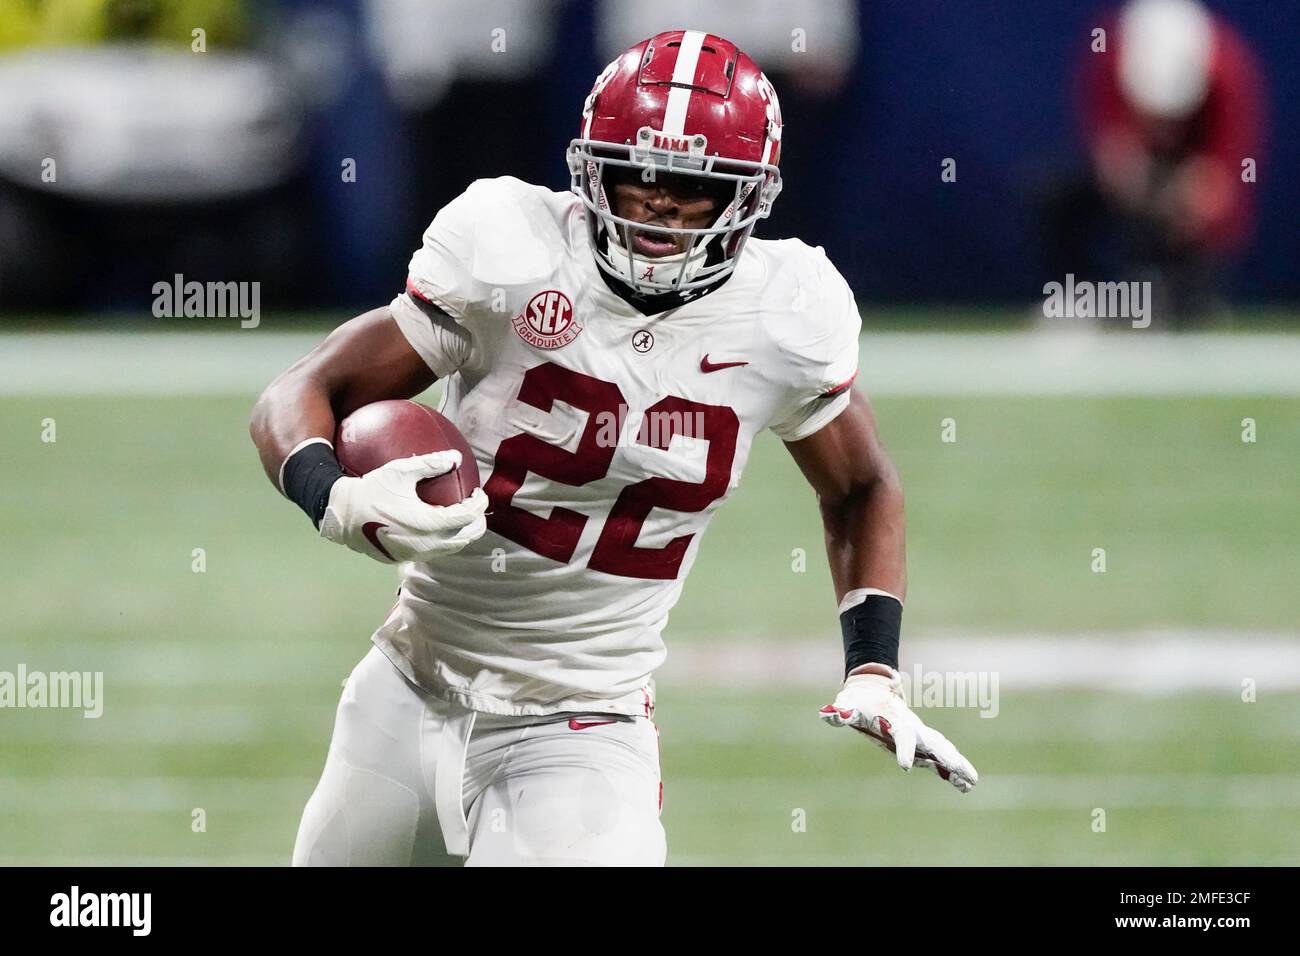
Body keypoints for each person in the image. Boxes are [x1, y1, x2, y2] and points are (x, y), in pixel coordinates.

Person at [249, 29, 977, 867]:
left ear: (748, 198)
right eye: (638, 175)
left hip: (584, 726)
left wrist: (874, 668)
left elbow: (861, 484)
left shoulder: (784, 316)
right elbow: (296, 393)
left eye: (695, 184)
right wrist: (331, 496)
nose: (662, 203)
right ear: (592, 168)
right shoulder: (513, 255)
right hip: (408, 681)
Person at [1043, 0, 1265, 325]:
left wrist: (1196, 201)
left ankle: (1177, 298)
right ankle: (1079, 300)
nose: (1164, 127)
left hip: (1191, 178)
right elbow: (1108, 149)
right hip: (1135, 171)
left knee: (1188, 303)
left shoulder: (1231, 74)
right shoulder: (1108, 54)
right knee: (1054, 196)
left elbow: (1227, 185)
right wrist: (1127, 173)